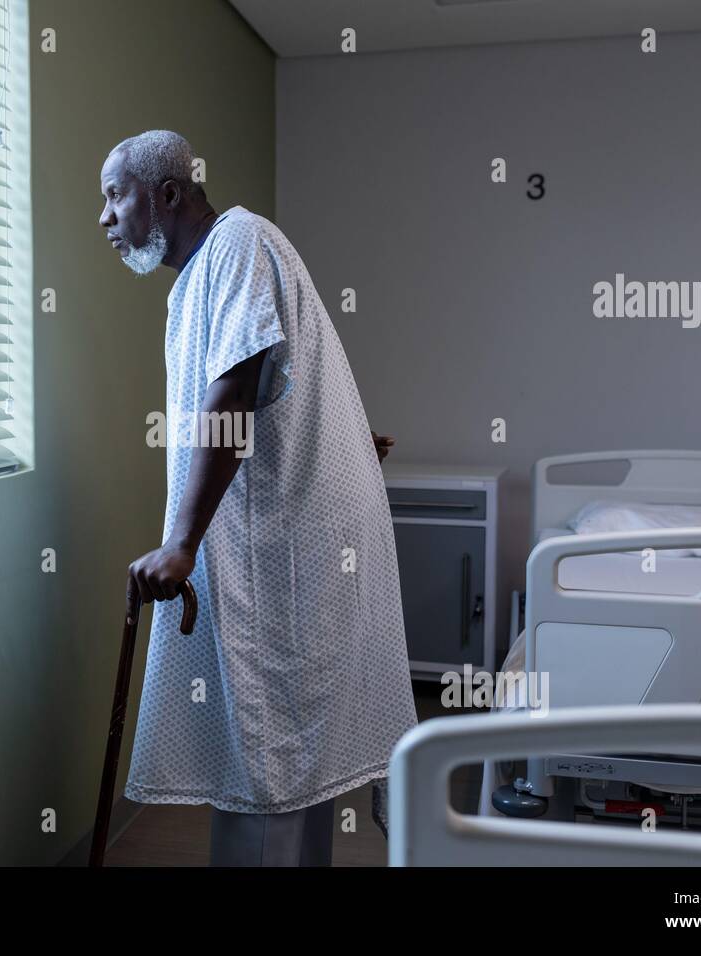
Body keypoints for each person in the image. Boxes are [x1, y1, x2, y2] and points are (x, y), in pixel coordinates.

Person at [100, 130, 416, 866]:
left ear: (168, 193)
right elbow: (288, 378)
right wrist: (341, 437)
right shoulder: (219, 264)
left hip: (290, 554)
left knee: (270, 755)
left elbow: (235, 392)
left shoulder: (238, 241)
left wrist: (181, 542)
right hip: (292, 541)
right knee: (288, 756)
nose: (105, 217)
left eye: (116, 194)